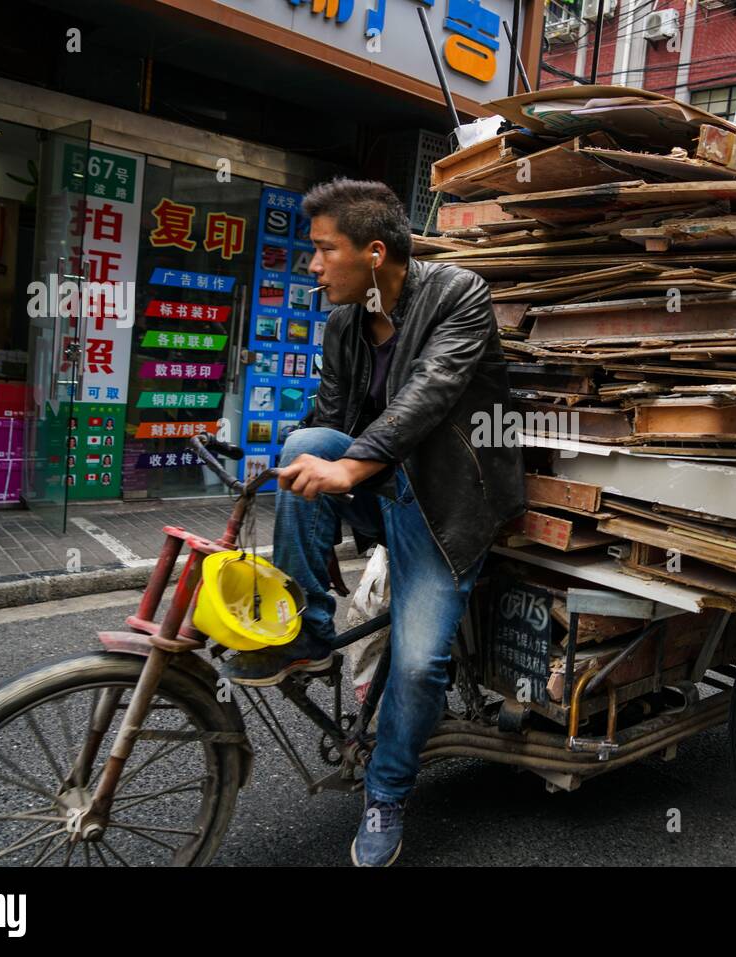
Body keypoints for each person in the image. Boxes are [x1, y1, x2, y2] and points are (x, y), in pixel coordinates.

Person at [219, 178, 525, 866]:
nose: (312, 263)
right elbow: (330, 422)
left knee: (418, 666)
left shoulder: (459, 295)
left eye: (324, 249)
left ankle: (386, 793)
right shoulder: (343, 323)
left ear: (374, 250)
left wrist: (351, 469)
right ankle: (308, 632)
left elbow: (431, 393)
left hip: (449, 505)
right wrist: (296, 483)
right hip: (384, 486)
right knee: (301, 449)